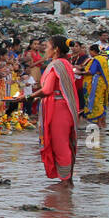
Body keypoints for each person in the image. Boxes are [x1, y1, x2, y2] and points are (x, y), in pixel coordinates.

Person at [28, 36, 80, 184]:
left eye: (47, 46)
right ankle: (67, 180)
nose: (45, 49)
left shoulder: (57, 64)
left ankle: (65, 182)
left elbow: (47, 89)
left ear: (56, 49)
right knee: (64, 143)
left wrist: (27, 97)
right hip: (62, 108)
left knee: (60, 144)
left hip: (58, 109)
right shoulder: (65, 63)